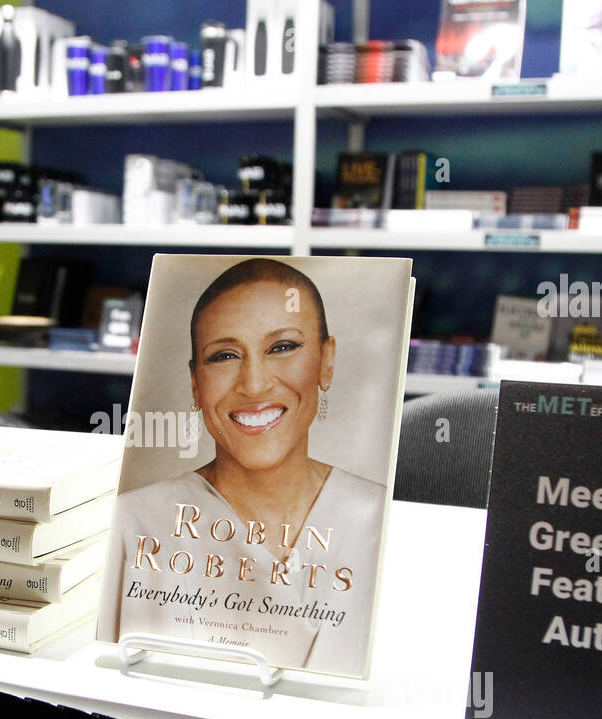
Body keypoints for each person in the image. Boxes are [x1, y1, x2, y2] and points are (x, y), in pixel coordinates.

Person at [101, 258, 387, 676]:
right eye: (225, 355)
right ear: (195, 383)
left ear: (327, 361)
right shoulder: (136, 522)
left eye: (283, 347)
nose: (253, 384)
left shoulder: (376, 518)